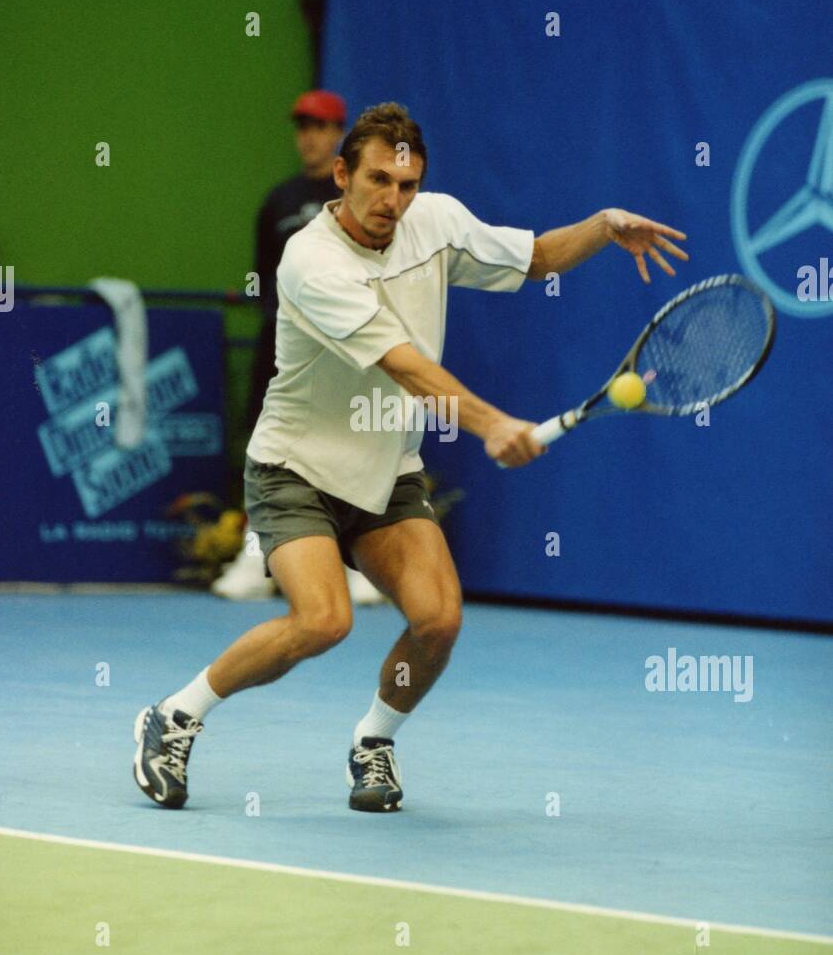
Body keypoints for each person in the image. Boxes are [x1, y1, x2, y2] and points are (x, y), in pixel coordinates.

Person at [135, 102, 688, 814]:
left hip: (387, 470)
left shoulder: (435, 221)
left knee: (438, 619)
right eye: (376, 181)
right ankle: (175, 715)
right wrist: (491, 424)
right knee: (323, 620)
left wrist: (604, 226)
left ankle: (373, 741)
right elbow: (404, 366)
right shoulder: (309, 260)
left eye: (405, 185)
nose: (391, 200)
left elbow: (539, 257)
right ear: (341, 175)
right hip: (294, 468)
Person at [214, 89, 383, 604]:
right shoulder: (278, 201)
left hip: (346, 350)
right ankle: (254, 557)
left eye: (319, 126)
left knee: (348, 447)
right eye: (302, 127)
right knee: (269, 450)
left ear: (339, 135)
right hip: (283, 349)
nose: (308, 136)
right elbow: (263, 276)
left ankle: (352, 563)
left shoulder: (362, 197)